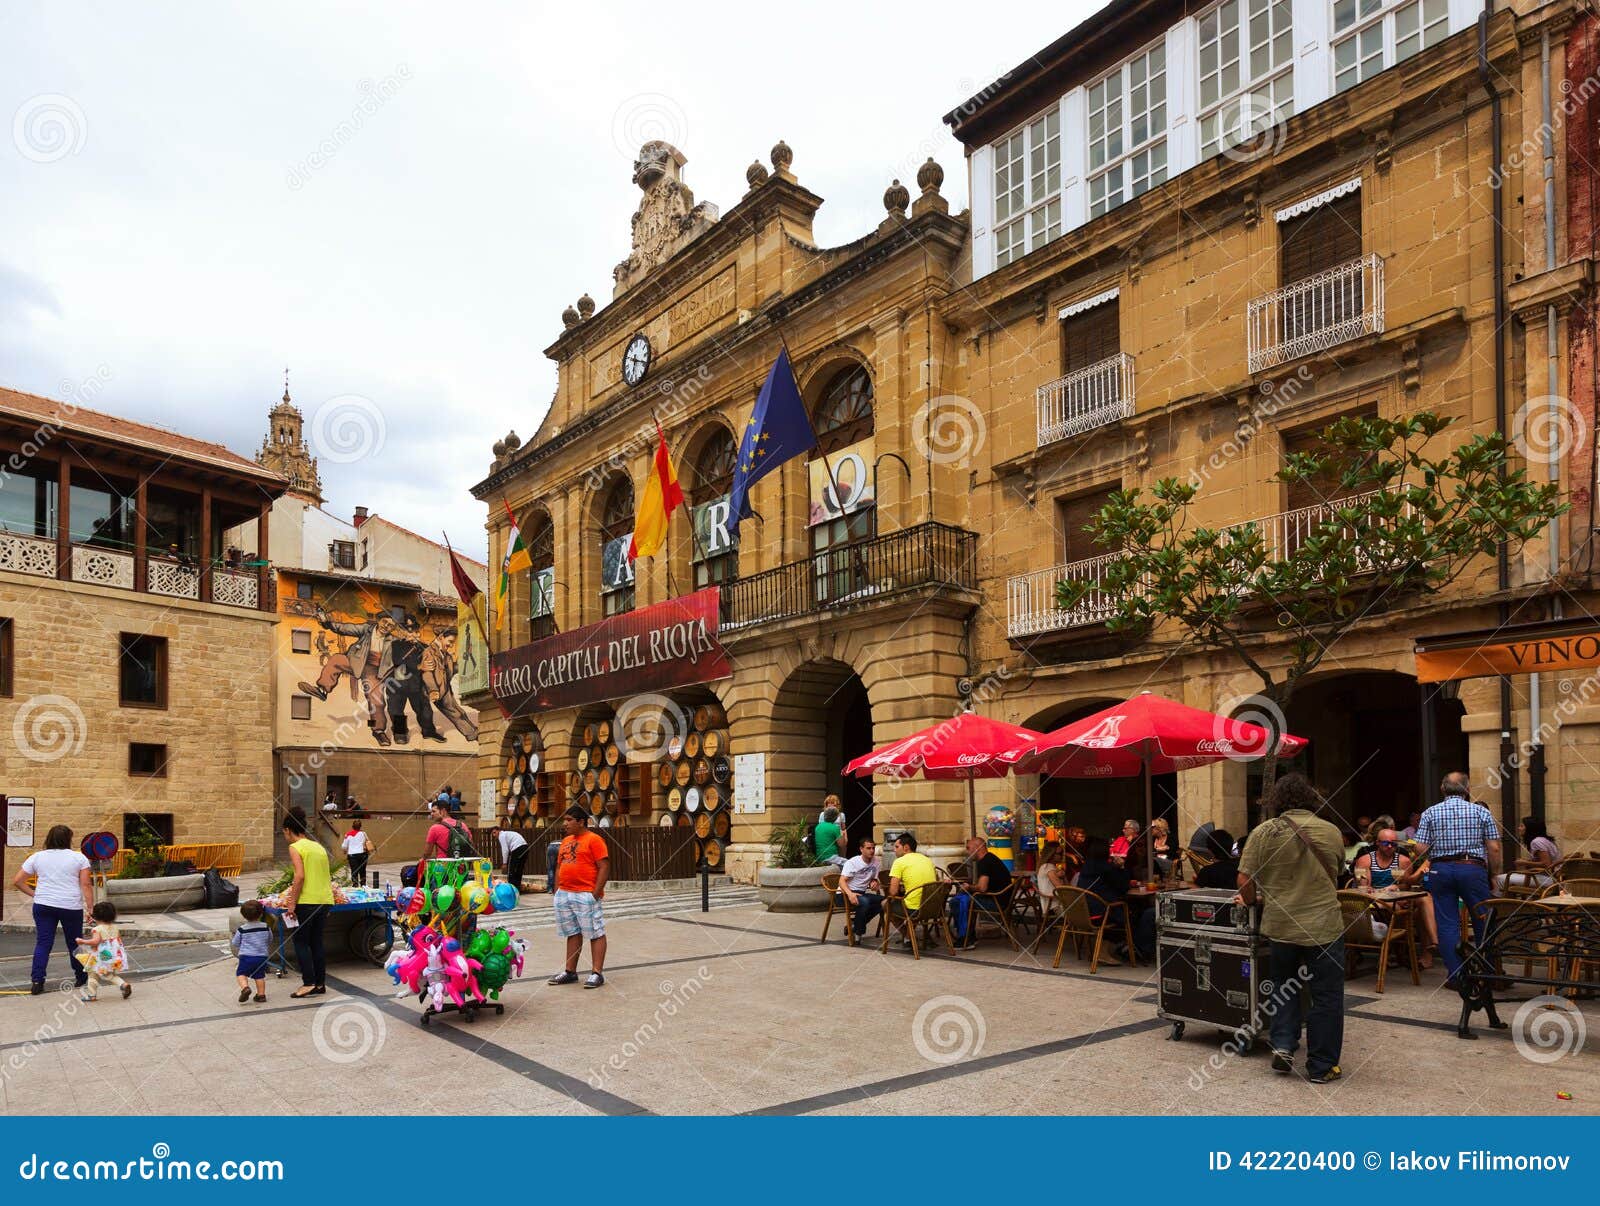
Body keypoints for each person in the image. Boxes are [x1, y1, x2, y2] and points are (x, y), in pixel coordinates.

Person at [1236, 773, 1345, 1083]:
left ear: (1277, 800)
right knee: (1325, 996)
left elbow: (1244, 879)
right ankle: (1321, 1066)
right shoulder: (1330, 830)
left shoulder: (1262, 832)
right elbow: (1337, 873)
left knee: (1284, 988)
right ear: (1311, 798)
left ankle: (1283, 1044)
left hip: (1280, 924)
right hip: (1323, 926)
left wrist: (1253, 900)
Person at [1412, 771, 1502, 990]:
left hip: (1440, 870)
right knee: (1483, 920)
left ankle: (1456, 976)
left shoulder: (1430, 812)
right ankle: (1487, 972)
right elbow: (1494, 847)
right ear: (1467, 789)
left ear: (1443, 789)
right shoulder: (1480, 811)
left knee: (1447, 923)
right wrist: (1493, 874)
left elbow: (1419, 848)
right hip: (1472, 869)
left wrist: (1433, 856)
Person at [13, 824, 91, 995]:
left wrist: (35, 895)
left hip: (43, 905)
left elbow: (18, 880)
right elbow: (85, 884)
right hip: (70, 906)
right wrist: (90, 908)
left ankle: (37, 981)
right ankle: (81, 976)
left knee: (43, 943)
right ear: (68, 839)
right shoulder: (79, 858)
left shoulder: (37, 857)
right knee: (75, 943)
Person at [1353, 826, 1436, 968]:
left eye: (1394, 844)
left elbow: (1405, 885)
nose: (1390, 846)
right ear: (1377, 843)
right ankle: (1398, 951)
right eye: (1386, 843)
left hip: (1396, 897)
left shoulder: (1402, 861)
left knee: (1424, 898)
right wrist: (1371, 887)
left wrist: (1396, 887)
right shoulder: (1365, 860)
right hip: (1375, 901)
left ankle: (1433, 943)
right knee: (1403, 911)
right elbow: (1364, 886)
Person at [548, 806, 610, 988]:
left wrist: (596, 893)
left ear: (581, 822)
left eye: (569, 820)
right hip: (565, 894)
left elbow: (604, 866)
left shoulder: (594, 840)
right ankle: (570, 971)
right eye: (564, 820)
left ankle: (597, 973)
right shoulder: (566, 841)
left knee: (595, 931)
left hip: (586, 893)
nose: (564, 824)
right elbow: (559, 866)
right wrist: (557, 890)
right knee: (572, 932)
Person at [282, 807, 333, 999]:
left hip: (307, 901)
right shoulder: (317, 846)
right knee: (317, 942)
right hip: (324, 900)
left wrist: (292, 902)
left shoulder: (296, 847)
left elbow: (300, 876)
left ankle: (308, 983)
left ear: (288, 829)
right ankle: (320, 983)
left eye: (285, 832)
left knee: (301, 942)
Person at [1074, 835, 1131, 965]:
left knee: (1119, 910)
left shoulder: (1086, 867)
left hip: (1082, 913)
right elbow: (1123, 886)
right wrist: (1121, 868)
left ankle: (1106, 950)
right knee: (1127, 915)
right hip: (1099, 913)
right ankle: (1104, 952)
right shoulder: (1105, 868)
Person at [954, 836, 1014, 948]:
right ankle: (968, 936)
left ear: (977, 848)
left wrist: (969, 887)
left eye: (969, 848)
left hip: (996, 902)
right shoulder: (991, 858)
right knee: (964, 899)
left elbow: (982, 888)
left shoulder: (985, 862)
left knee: (958, 901)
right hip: (1003, 900)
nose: (967, 851)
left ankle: (965, 938)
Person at [73, 901, 131, 1002]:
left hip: (100, 957)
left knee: (104, 975)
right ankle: (92, 994)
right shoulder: (114, 927)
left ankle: (123, 984)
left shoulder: (97, 929)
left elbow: (95, 941)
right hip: (113, 955)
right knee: (93, 973)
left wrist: (83, 941)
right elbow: (117, 940)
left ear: (95, 916)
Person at [1495, 816, 1561, 893]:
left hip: (1548, 879)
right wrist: (1528, 861)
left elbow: (1546, 863)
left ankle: (1500, 904)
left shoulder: (1536, 842)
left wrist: (1524, 863)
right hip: (1552, 877)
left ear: (1530, 828)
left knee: (1499, 878)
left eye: (1522, 826)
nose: (1518, 828)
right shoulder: (1544, 840)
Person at [838, 838, 883, 942]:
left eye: (873, 848)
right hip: (843, 894)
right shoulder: (853, 862)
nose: (872, 850)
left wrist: (875, 882)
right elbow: (841, 881)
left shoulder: (876, 862)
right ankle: (858, 933)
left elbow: (874, 880)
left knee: (885, 901)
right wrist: (850, 894)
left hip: (861, 893)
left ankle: (854, 924)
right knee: (865, 902)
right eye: (868, 848)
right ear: (861, 849)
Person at [232, 899, 272, 1004]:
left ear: (244, 915)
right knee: (259, 975)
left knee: (241, 973)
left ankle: (245, 988)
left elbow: (235, 942)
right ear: (260, 914)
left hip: (246, 956)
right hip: (262, 956)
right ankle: (261, 995)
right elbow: (269, 939)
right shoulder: (266, 927)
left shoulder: (242, 929)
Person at [887, 832, 937, 913]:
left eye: (897, 847)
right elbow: (936, 881)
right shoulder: (927, 860)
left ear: (906, 847)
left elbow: (893, 892)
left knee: (885, 904)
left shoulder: (899, 862)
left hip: (913, 909)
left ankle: (907, 926)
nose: (894, 850)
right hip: (932, 907)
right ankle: (910, 924)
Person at [497, 825, 530, 890]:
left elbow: (505, 850)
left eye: (494, 832)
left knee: (511, 870)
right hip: (525, 847)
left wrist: (504, 863)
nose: (494, 835)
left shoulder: (501, 835)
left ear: (499, 831)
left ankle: (511, 889)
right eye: (492, 834)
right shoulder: (508, 833)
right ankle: (517, 888)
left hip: (517, 848)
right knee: (519, 870)